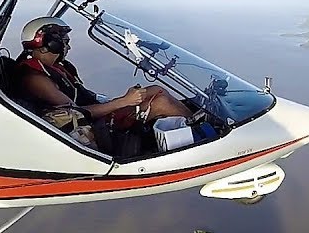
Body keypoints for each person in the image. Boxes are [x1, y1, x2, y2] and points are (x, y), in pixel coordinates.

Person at [14, 16, 192, 147]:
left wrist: (118, 101)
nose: (68, 45)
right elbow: (78, 113)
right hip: (91, 126)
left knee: (155, 89)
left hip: (96, 112)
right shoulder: (35, 78)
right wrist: (124, 102)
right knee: (160, 102)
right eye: (63, 41)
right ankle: (202, 135)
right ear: (50, 43)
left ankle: (194, 123)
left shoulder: (59, 67)